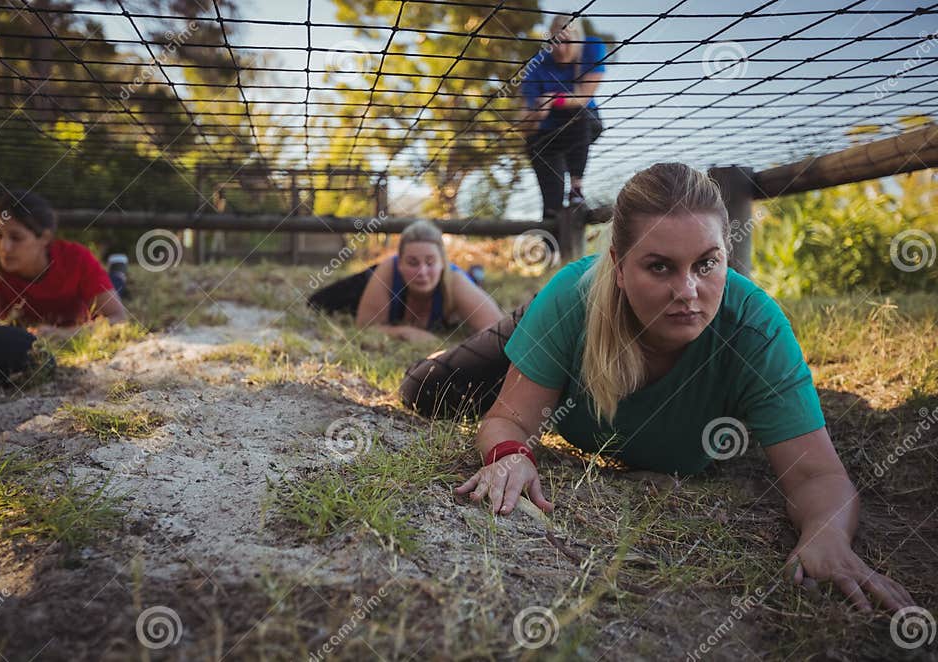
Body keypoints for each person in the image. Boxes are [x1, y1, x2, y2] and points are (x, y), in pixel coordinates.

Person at [401, 163, 915, 613]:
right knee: (424, 390)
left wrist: (826, 538)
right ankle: (504, 349)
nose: (688, 292)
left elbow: (818, 476)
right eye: (660, 266)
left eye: (706, 264)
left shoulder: (757, 330)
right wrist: (511, 453)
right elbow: (508, 422)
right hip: (551, 320)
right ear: (620, 267)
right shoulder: (574, 298)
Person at [308, 220, 504, 342]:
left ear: (443, 263)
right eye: (412, 262)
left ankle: (476, 274)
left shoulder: (456, 281)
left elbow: (498, 331)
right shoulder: (388, 269)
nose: (422, 272)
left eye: (430, 262)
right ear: (399, 263)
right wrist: (404, 332)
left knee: (474, 285)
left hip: (461, 285)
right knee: (318, 303)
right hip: (384, 287)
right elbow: (365, 326)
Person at [0, 191, 127, 338]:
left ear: (45, 238)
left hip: (79, 319)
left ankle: (118, 272)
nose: (4, 247)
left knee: (116, 285)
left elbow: (119, 318)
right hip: (24, 328)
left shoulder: (76, 258)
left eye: (16, 238)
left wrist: (63, 334)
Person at [521, 15, 607, 220]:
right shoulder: (537, 64)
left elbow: (584, 97)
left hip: (584, 125)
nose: (560, 49)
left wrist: (553, 101)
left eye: (567, 42)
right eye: (555, 42)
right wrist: (536, 113)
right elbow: (522, 119)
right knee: (552, 209)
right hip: (547, 139)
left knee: (579, 115)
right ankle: (552, 249)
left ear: (579, 38)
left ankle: (577, 189)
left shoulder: (592, 48)